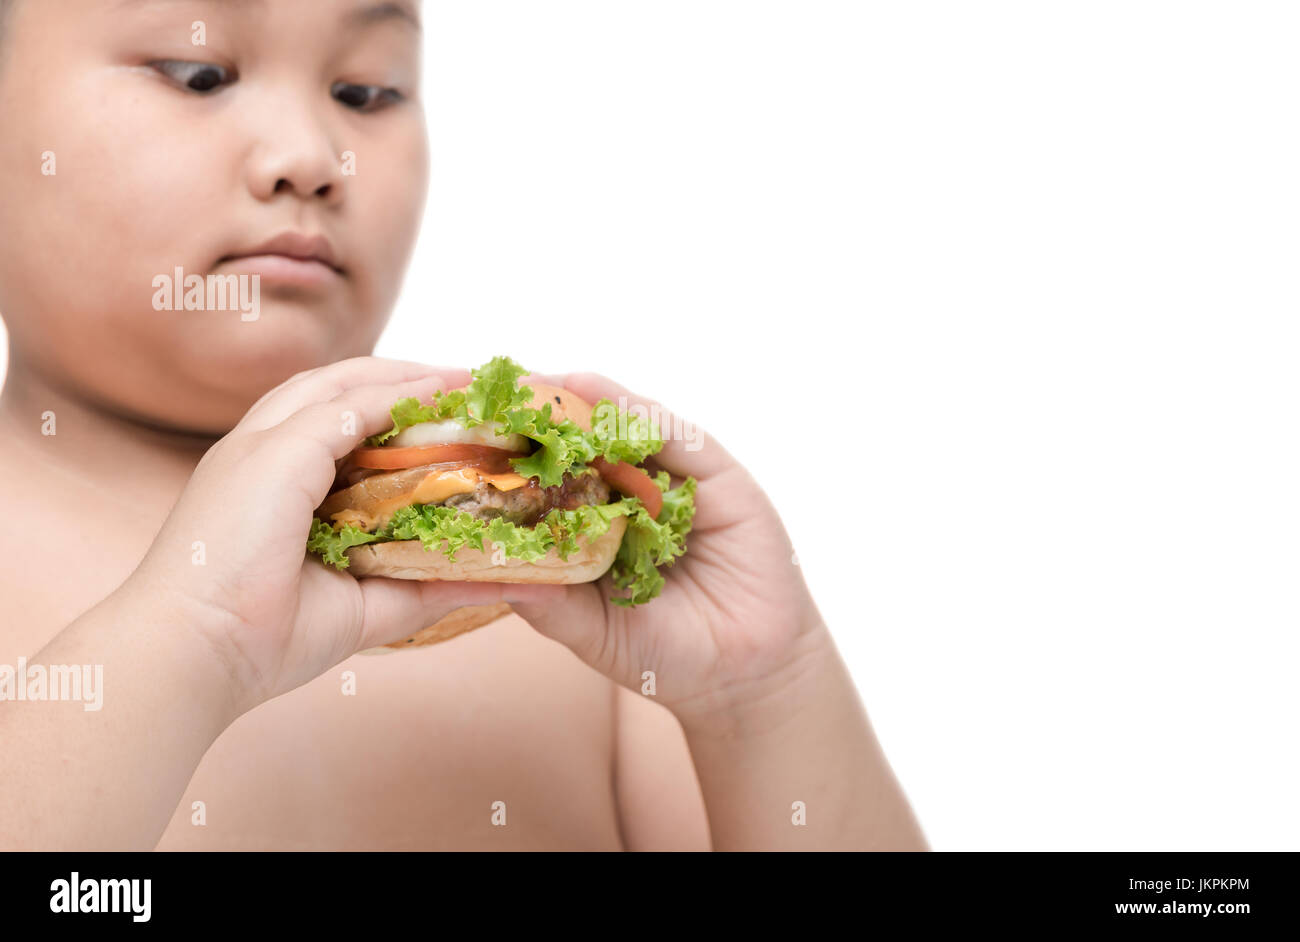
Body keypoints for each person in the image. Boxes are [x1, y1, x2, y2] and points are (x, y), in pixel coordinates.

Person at [0, 0, 925, 850]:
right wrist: (192, 642)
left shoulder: (585, 623)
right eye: (198, 73)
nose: (311, 156)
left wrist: (762, 694)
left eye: (366, 91)